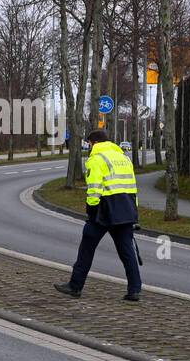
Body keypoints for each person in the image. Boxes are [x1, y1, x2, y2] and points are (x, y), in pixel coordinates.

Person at [54, 129, 142, 301]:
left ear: (94, 142)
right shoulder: (124, 158)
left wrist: (91, 210)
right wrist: (134, 212)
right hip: (126, 210)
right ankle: (135, 289)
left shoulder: (97, 159)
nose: (89, 147)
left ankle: (75, 286)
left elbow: (94, 189)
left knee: (87, 248)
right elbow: (132, 187)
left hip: (104, 211)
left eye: (89, 143)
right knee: (127, 251)